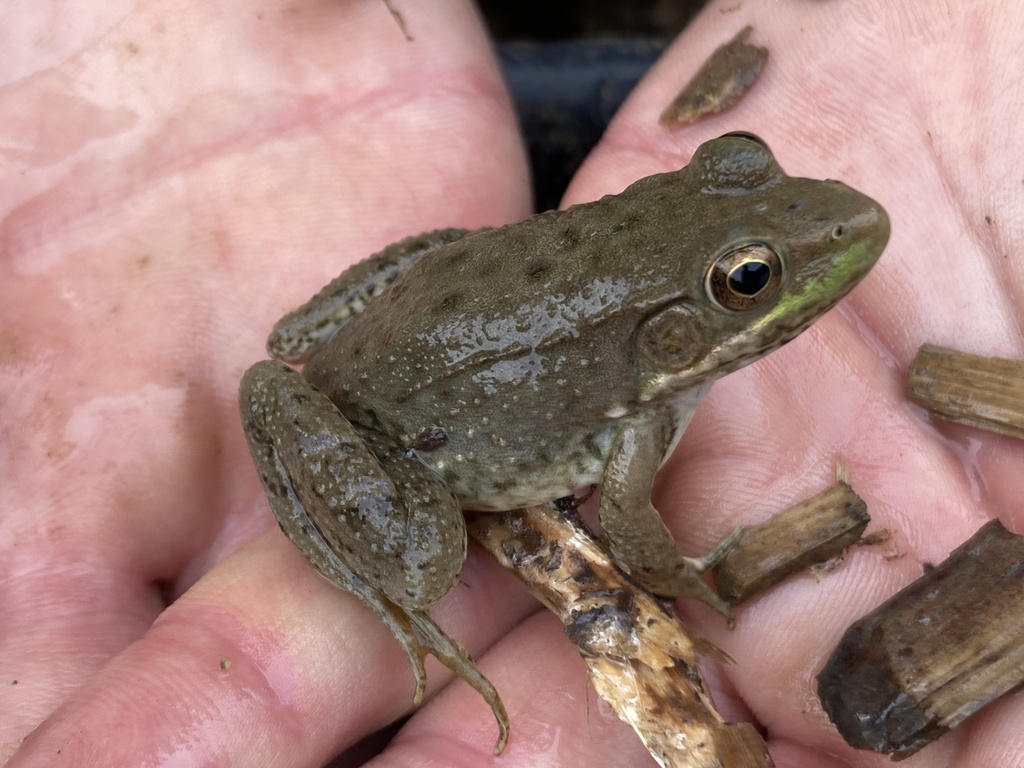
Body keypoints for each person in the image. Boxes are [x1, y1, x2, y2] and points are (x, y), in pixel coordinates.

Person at [3, 1, 1023, 765]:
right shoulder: (633, 436)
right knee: (424, 559)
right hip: (403, 434)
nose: (822, 243)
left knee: (394, 311)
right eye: (748, 282)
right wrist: (695, 581)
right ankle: (391, 594)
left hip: (424, 306)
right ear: (680, 330)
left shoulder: (665, 355)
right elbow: (627, 525)